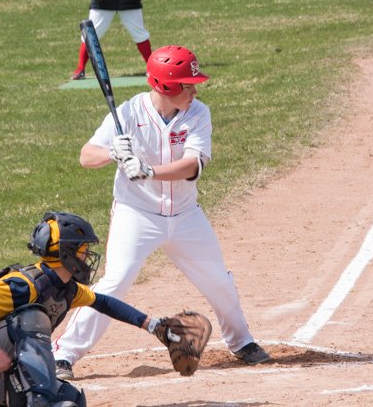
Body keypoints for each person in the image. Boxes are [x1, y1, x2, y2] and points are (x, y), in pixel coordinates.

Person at [52, 45, 270, 379]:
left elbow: (192, 165)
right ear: (166, 86)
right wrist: (111, 151)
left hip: (185, 216)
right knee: (115, 282)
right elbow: (86, 156)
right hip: (136, 213)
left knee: (219, 282)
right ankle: (64, 354)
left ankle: (242, 343)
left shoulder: (198, 113)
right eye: (188, 83)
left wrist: (150, 170)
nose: (194, 89)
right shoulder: (127, 113)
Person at [0, 211, 181, 407]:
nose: (86, 257)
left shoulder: (65, 289)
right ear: (66, 252)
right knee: (32, 318)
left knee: (71, 400)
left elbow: (103, 302)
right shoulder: (24, 285)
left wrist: (153, 324)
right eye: (82, 250)